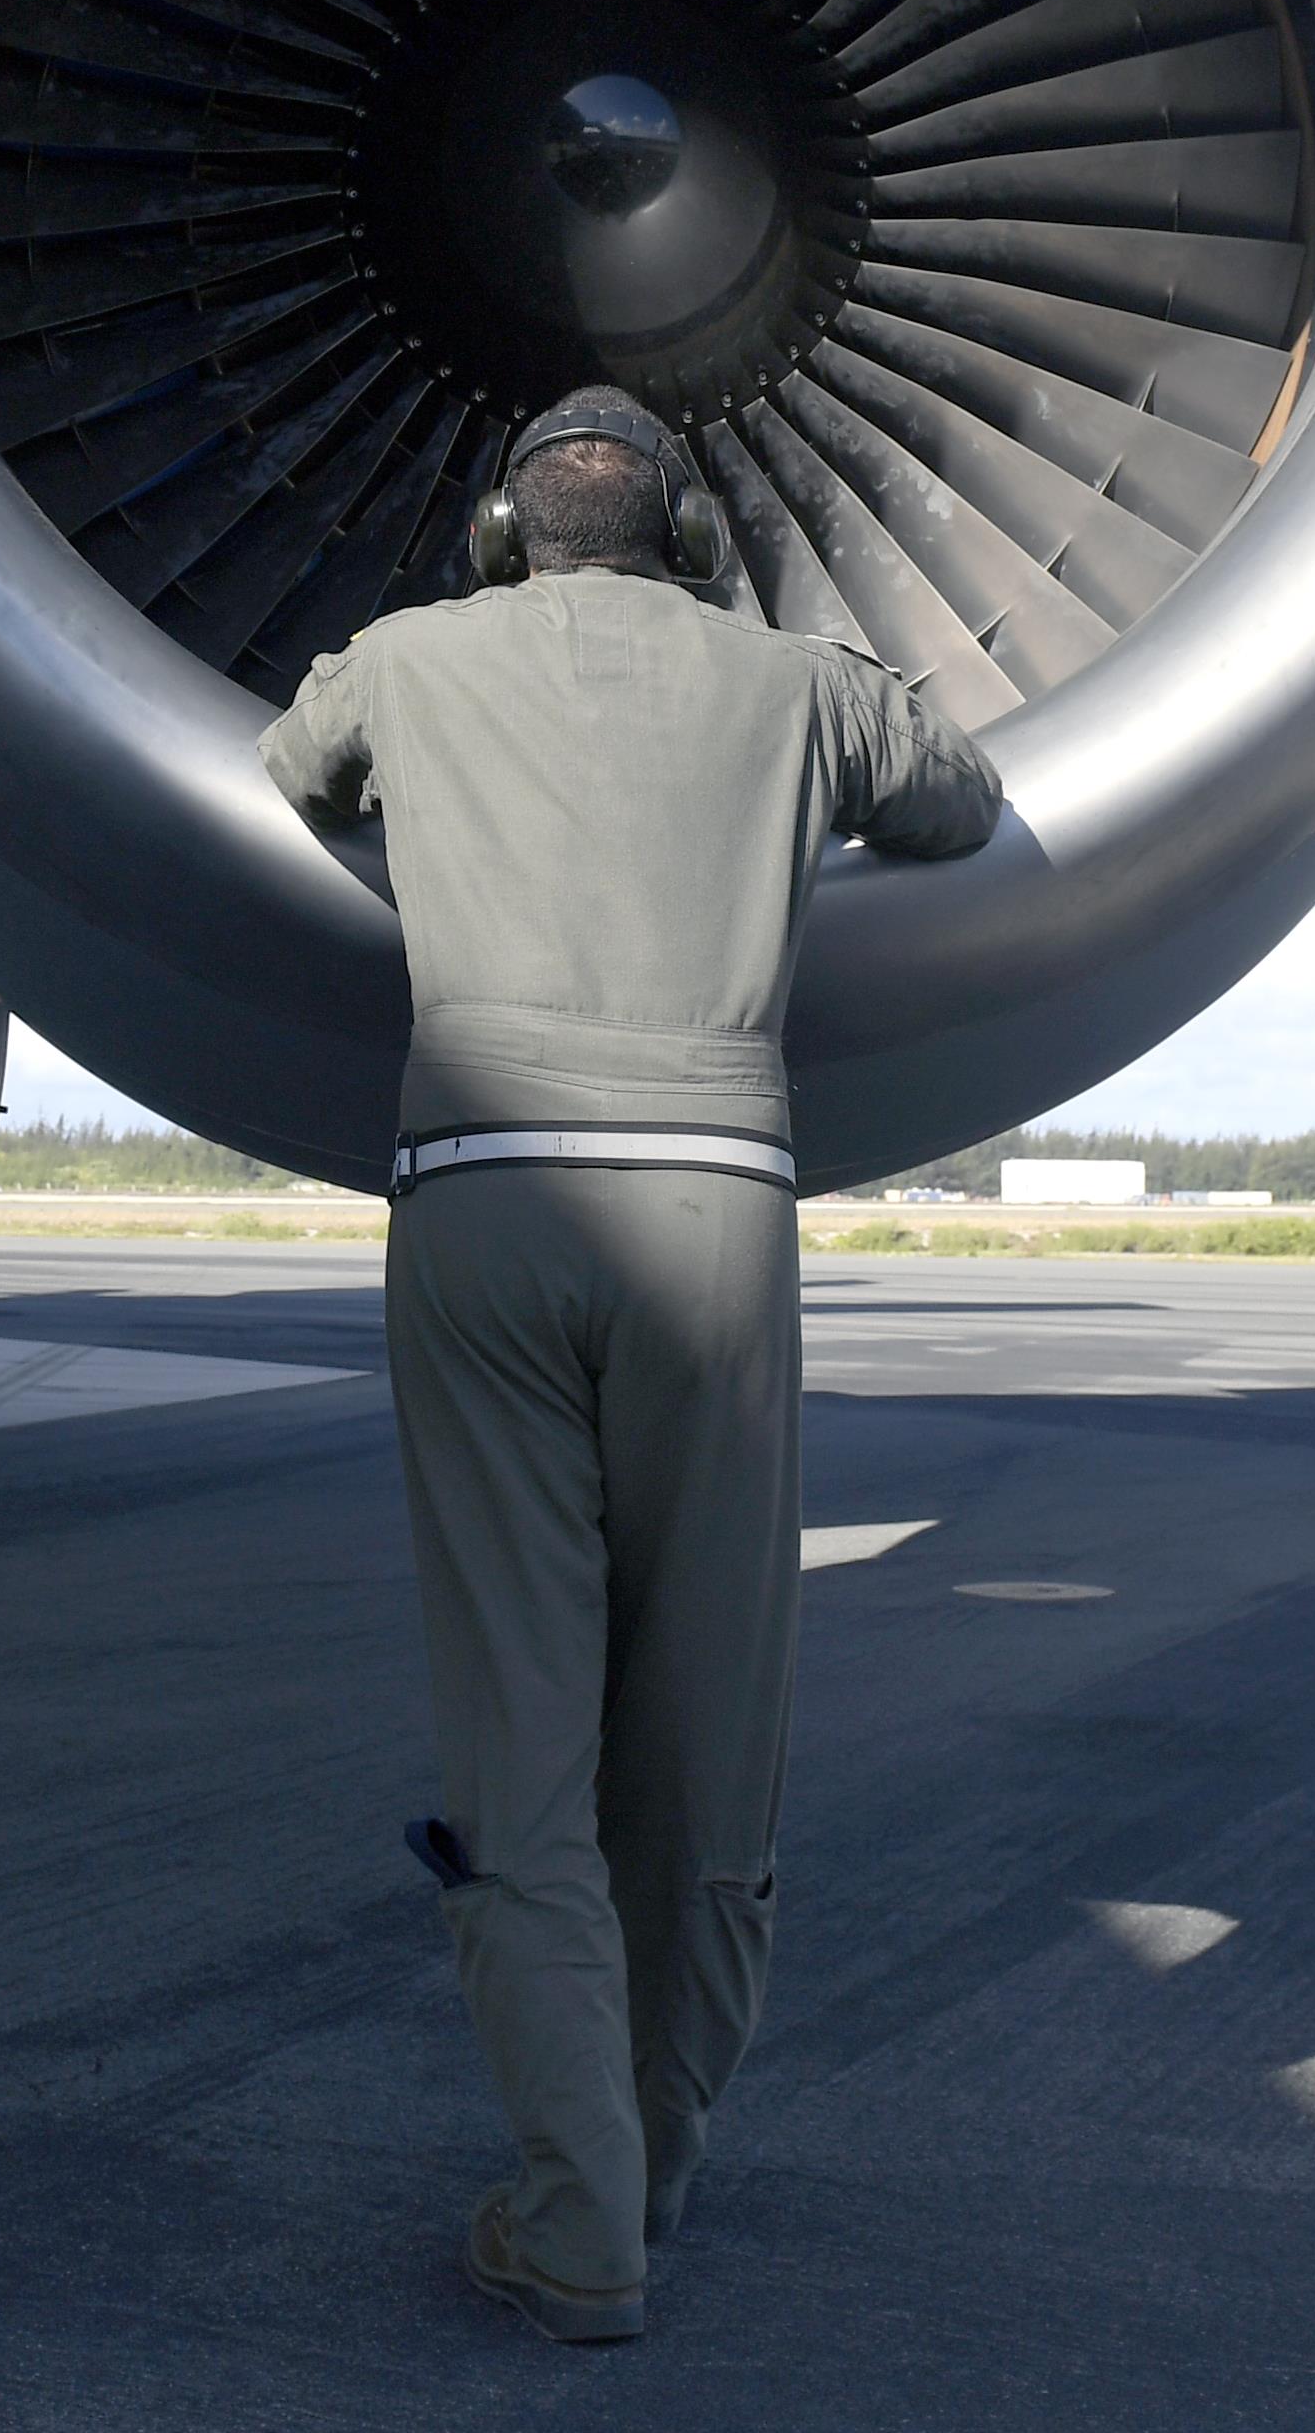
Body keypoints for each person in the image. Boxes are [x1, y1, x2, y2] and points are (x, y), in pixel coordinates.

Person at [262, 383, 1003, 2346]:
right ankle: (650, 2163)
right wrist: (812, 669)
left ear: (509, 532)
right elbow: (961, 797)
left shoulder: (415, 659)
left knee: (525, 1729)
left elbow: (290, 765)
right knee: (703, 1726)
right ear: (684, 534)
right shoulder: (787, 686)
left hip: (485, 1198)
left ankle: (580, 2212)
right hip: (711, 1213)